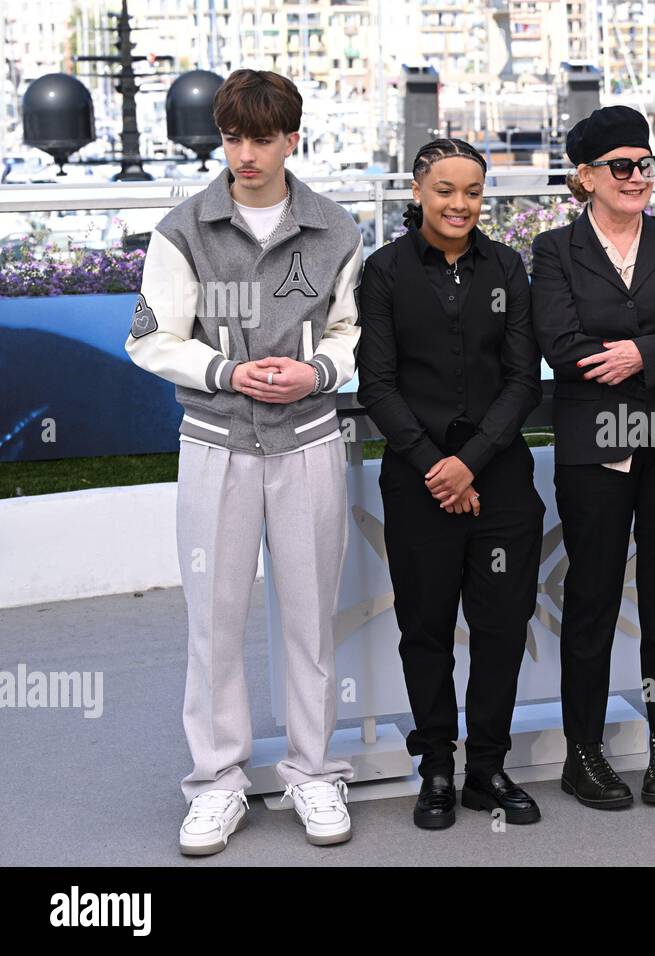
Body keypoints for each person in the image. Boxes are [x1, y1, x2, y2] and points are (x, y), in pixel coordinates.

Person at [125, 69, 362, 854]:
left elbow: (347, 333)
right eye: (233, 137)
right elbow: (151, 337)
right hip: (217, 445)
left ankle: (314, 774)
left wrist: (317, 372)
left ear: (292, 137)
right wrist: (224, 372)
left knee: (308, 621)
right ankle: (216, 784)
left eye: (262, 137)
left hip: (309, 443)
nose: (246, 153)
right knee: (213, 625)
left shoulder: (336, 229)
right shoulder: (183, 228)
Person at [531, 106, 655, 809]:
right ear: (584, 177)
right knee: (590, 599)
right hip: (596, 449)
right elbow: (560, 345)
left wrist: (640, 352)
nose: (638, 177)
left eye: (646, 164)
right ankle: (582, 752)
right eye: (621, 166)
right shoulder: (555, 250)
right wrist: (647, 353)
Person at [357, 139, 545, 829]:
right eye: (445, 189)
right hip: (417, 483)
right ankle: (436, 766)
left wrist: (471, 463)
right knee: (426, 628)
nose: (460, 203)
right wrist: (439, 468)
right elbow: (377, 383)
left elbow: (525, 379)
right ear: (417, 191)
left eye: (472, 191)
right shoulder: (383, 272)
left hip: (500, 481)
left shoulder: (508, 267)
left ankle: (488, 769)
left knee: (501, 627)